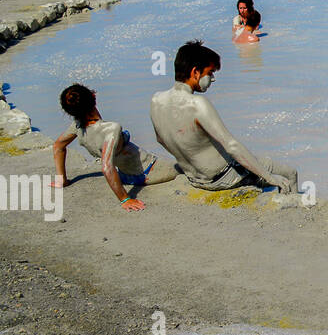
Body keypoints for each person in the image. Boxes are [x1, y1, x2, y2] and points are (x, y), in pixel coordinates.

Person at [150, 40, 298, 193]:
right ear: (195, 72)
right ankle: (294, 209)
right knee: (290, 174)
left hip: (194, 178)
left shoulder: (156, 100)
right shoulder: (197, 104)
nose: (213, 79)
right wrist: (269, 177)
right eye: (210, 73)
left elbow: (161, 140)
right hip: (222, 177)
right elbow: (232, 146)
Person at [52, 84, 177, 210]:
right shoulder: (111, 129)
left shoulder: (78, 127)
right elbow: (107, 167)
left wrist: (61, 179)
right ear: (93, 97)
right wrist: (125, 199)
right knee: (186, 168)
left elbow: (58, 146)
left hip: (124, 176)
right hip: (149, 170)